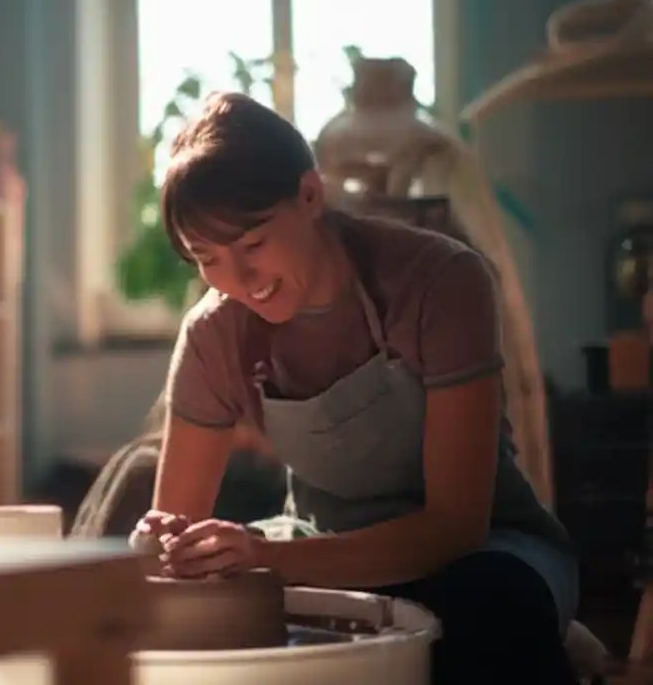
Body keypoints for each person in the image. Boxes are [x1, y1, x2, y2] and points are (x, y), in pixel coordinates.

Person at [130, 92, 578, 683]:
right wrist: (161, 541)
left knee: (487, 606)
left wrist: (268, 558)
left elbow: (454, 527)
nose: (236, 280)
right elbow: (174, 532)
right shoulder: (215, 334)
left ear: (310, 195)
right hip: (317, 543)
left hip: (485, 548)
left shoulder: (441, 282)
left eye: (253, 245)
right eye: (206, 258)